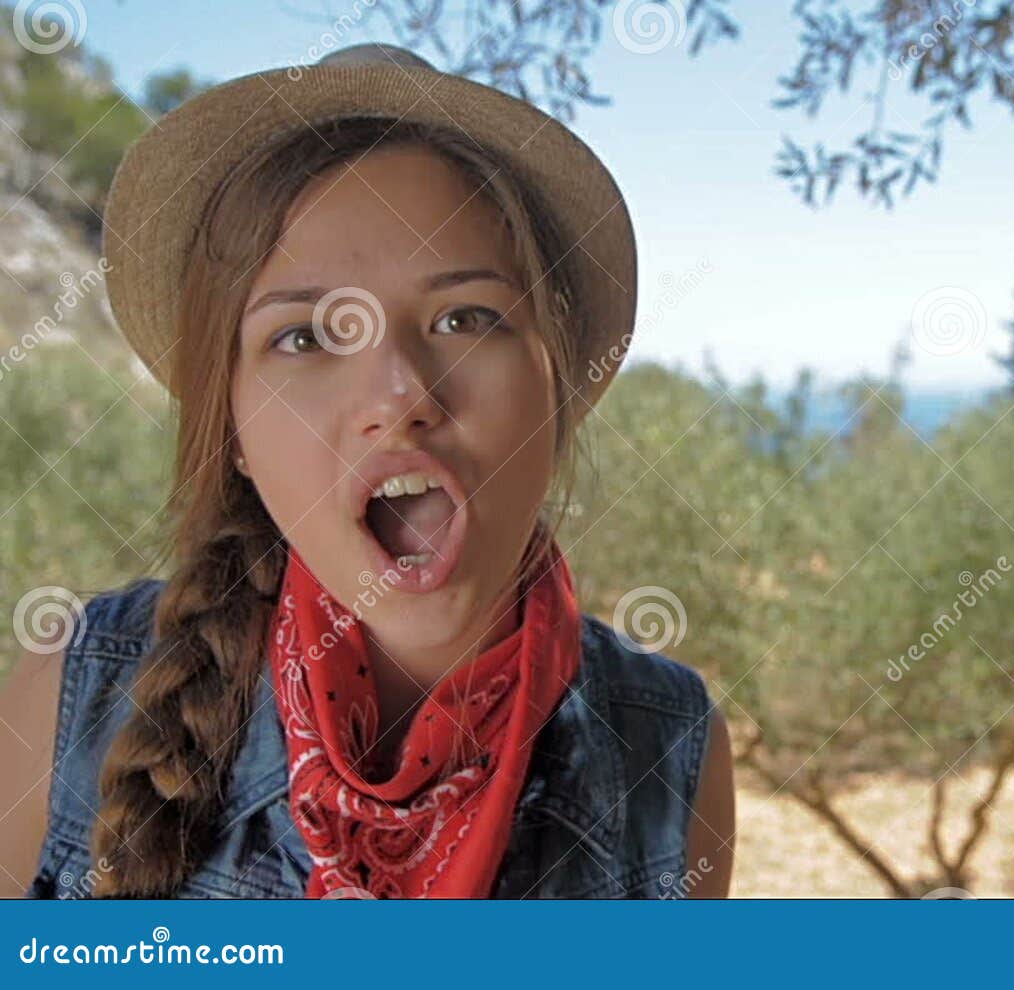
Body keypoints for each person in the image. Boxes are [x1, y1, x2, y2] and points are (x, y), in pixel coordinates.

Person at [0, 42, 734, 899]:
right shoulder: (69, 697)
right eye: (304, 337)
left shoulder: (672, 752)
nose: (402, 393)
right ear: (232, 427)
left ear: (557, 385)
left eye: (466, 317)